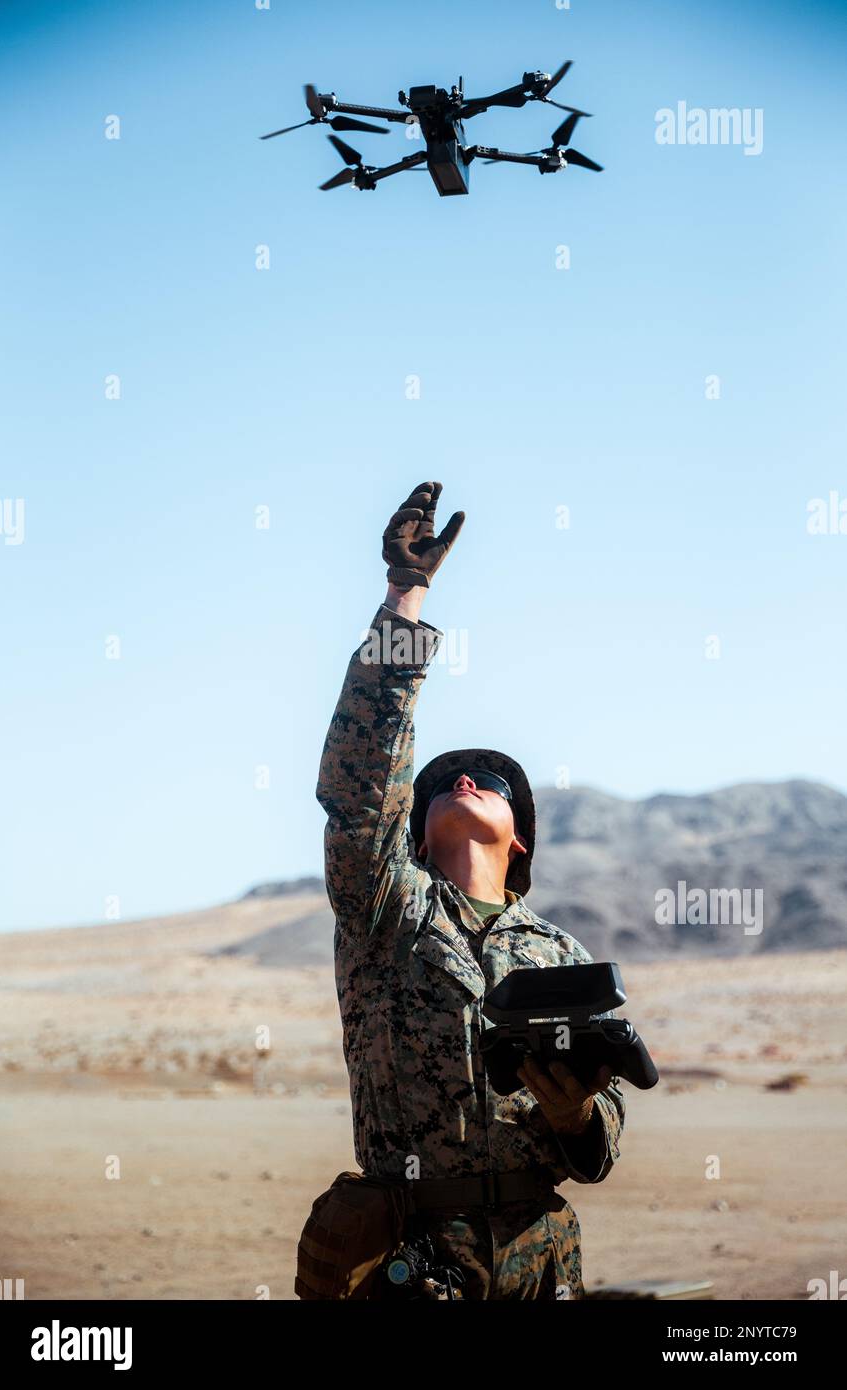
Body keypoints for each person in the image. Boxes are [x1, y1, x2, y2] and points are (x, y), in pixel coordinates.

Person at [315, 480, 625, 1299]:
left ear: (518, 836)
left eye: (486, 779)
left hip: (540, 1258)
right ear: (413, 836)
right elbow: (357, 792)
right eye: (443, 781)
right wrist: (405, 597)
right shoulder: (388, 908)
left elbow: (600, 1150)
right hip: (417, 1257)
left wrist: (572, 1113)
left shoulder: (562, 956)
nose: (463, 779)